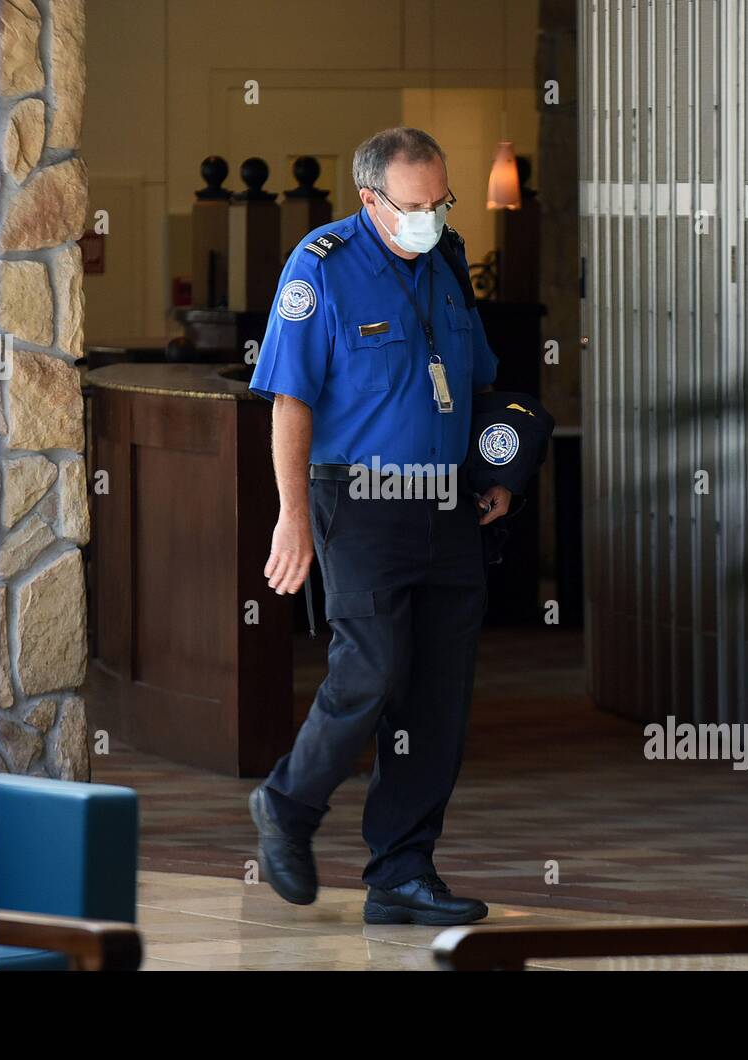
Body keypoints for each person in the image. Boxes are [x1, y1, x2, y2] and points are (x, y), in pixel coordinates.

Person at [246, 127, 509, 926]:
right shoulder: (319, 268)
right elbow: (290, 402)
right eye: (414, 206)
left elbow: (481, 381)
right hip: (356, 501)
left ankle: (401, 872)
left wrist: (493, 471)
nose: (430, 218)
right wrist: (292, 517)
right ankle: (288, 807)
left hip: (446, 500)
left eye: (442, 202)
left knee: (438, 694)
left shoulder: (447, 261)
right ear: (371, 201)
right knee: (372, 668)